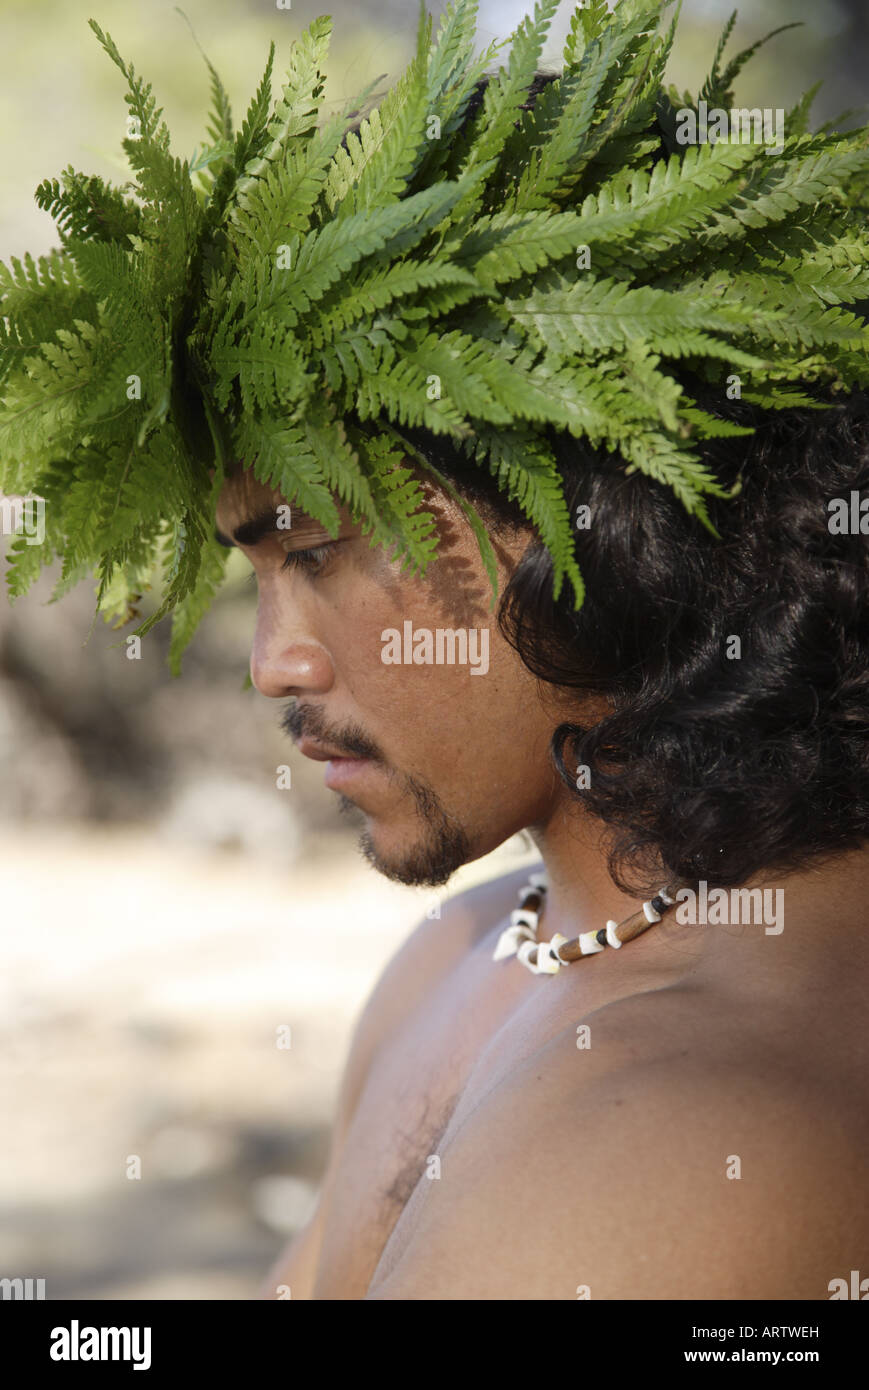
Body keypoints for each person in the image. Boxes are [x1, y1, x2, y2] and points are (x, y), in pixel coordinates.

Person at [218, 376, 869, 1299]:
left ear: (589, 516)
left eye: (316, 553)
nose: (274, 663)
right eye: (259, 574)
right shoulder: (457, 954)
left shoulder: (693, 1124)